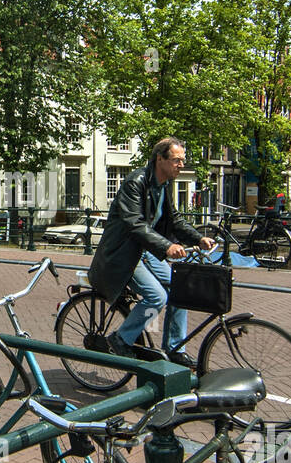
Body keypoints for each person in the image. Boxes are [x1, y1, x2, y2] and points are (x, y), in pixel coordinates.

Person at [88, 137, 215, 368]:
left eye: (182, 161)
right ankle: (120, 338)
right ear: (160, 159)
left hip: (145, 252)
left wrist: (199, 237)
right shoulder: (136, 182)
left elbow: (173, 220)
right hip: (124, 253)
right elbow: (134, 224)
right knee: (157, 296)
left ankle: (174, 349)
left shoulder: (163, 186)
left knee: (180, 290)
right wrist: (166, 246)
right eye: (177, 160)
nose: (181, 165)